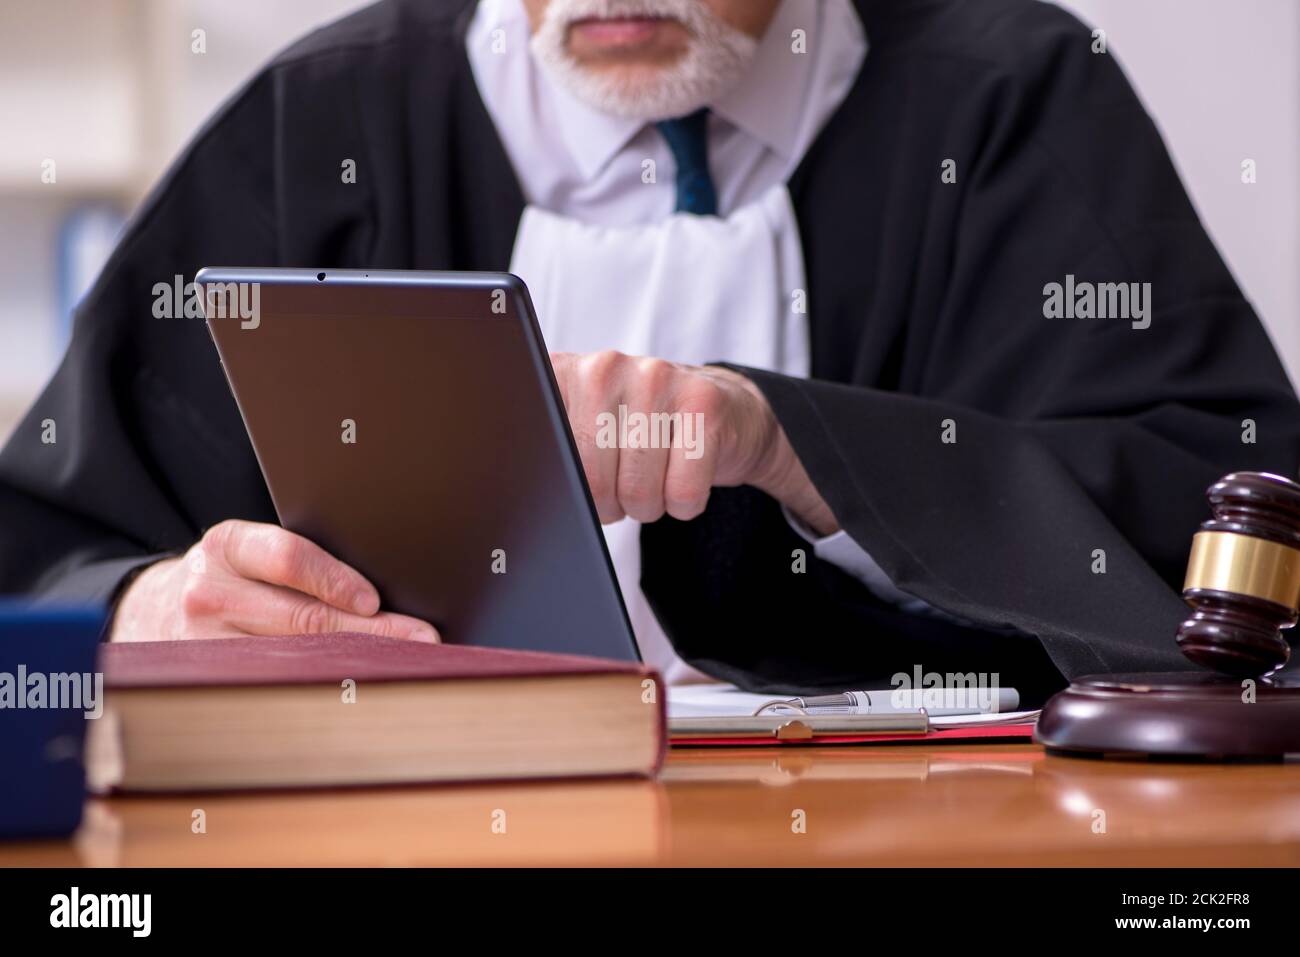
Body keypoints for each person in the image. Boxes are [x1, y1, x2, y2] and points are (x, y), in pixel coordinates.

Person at [1, 0, 1296, 701]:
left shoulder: (1014, 99)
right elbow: (38, 552)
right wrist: (146, 611)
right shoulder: (322, 121)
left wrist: (796, 444)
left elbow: (1231, 531)